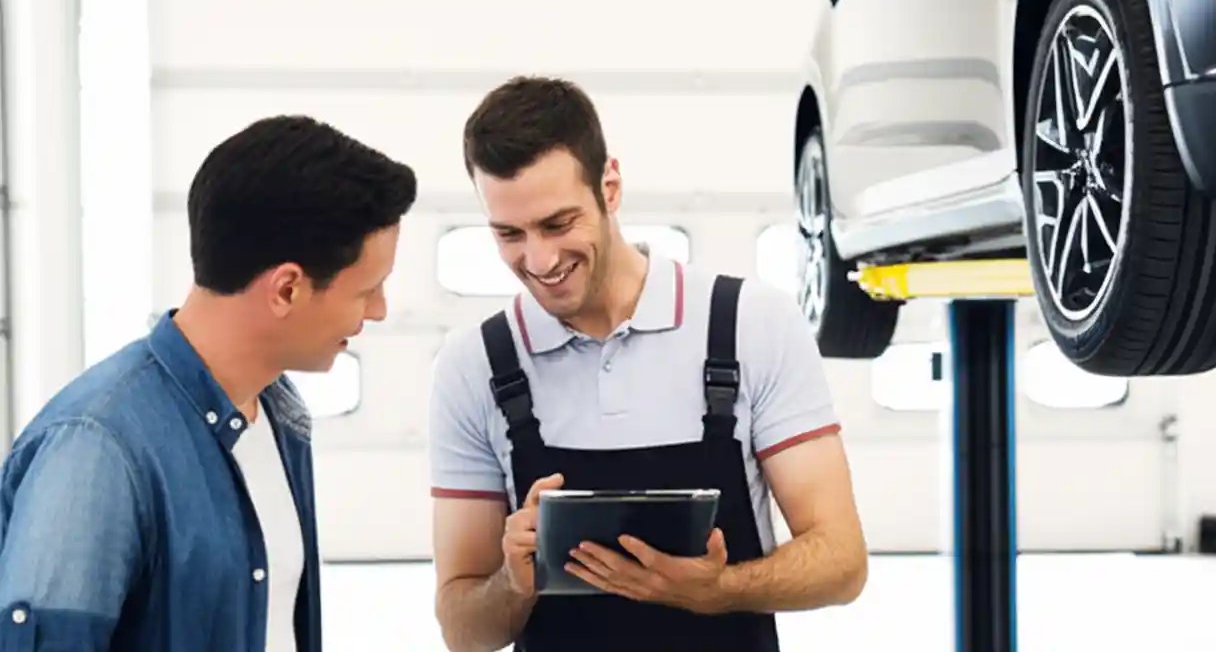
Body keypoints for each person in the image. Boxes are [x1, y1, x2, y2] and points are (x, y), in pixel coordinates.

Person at [429, 76, 868, 652]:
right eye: (509, 233)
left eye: (559, 224)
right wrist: (513, 582)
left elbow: (841, 561)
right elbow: (464, 632)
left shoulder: (750, 326)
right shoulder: (475, 365)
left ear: (609, 187)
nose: (539, 259)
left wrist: (722, 588)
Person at [0, 115, 417, 651]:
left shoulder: (279, 414)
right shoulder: (95, 448)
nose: (379, 312)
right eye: (367, 291)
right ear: (286, 289)